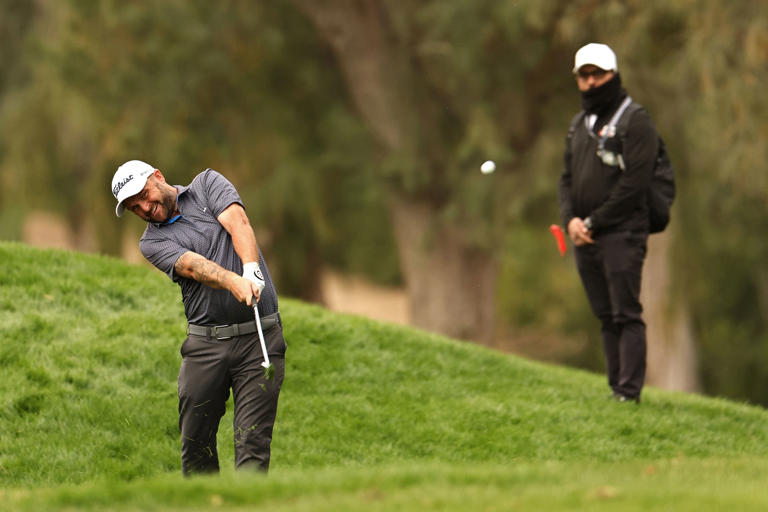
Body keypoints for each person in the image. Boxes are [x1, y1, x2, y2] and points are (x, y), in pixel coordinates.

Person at [111, 160, 286, 474]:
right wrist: (234, 281)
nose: (144, 208)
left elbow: (238, 222)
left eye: (144, 195)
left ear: (158, 177)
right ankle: (206, 500)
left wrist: (251, 269)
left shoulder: (206, 184)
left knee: (252, 444)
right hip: (206, 347)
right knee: (195, 446)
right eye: (135, 207)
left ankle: (249, 499)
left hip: (260, 338)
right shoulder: (151, 242)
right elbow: (192, 266)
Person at [558, 43, 659, 404]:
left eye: (597, 74)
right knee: (605, 316)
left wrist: (594, 222)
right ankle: (616, 388)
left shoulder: (635, 120)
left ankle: (628, 393)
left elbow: (636, 184)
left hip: (623, 232)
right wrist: (571, 220)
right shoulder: (578, 125)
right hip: (585, 236)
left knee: (625, 313)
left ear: (613, 75)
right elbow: (567, 179)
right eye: (584, 75)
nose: (590, 82)